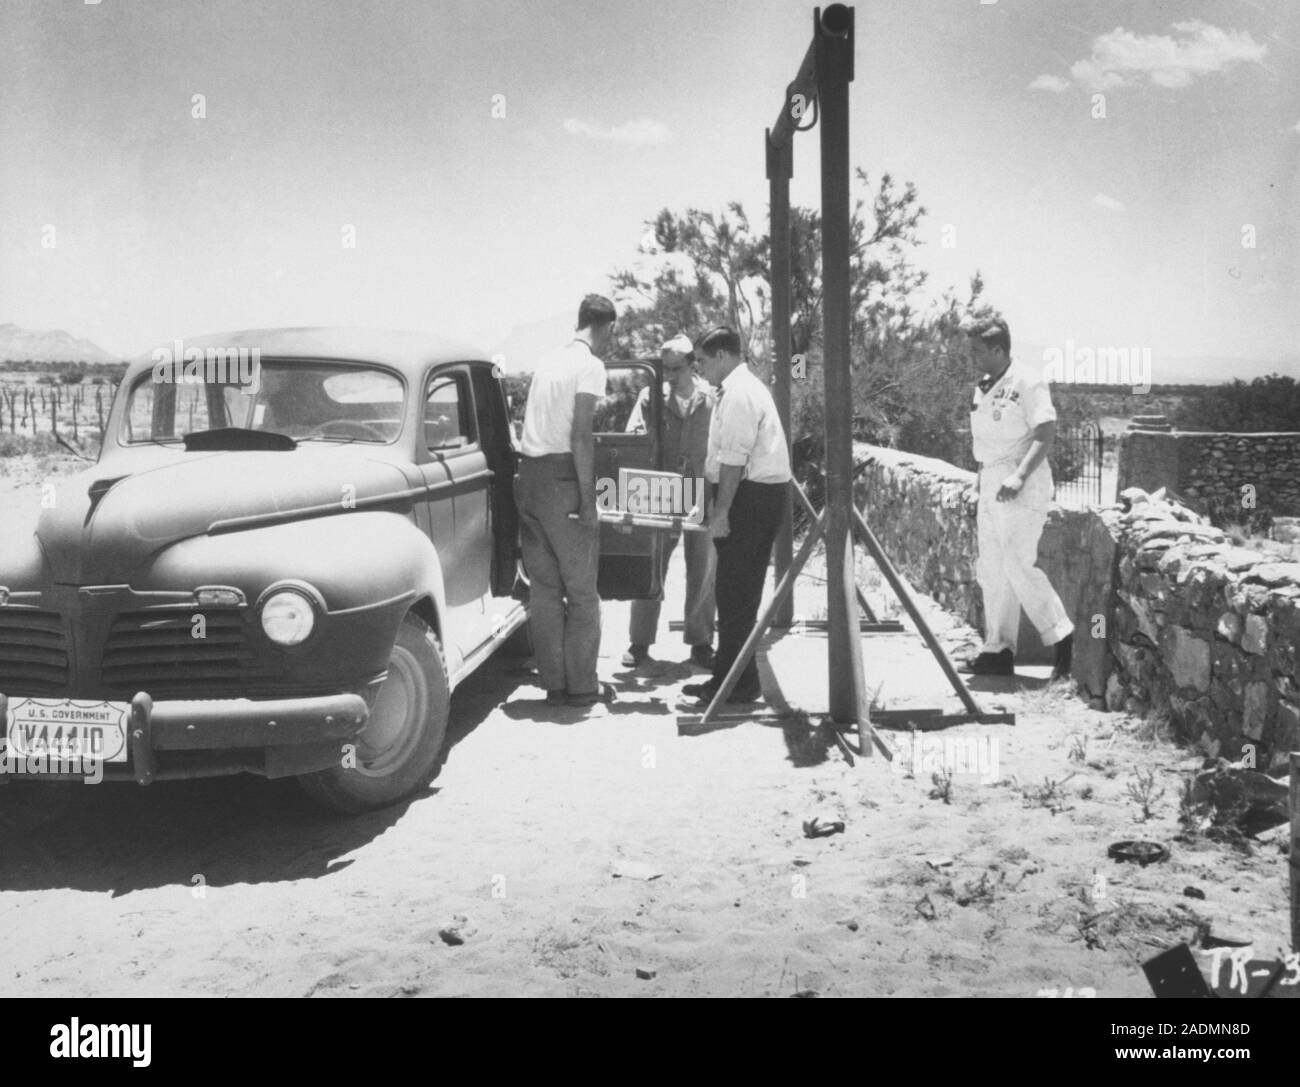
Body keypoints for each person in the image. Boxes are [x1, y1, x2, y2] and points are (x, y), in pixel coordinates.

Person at [682, 326, 791, 707]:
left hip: (751, 499)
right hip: (750, 496)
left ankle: (735, 685)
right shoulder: (734, 390)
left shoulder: (740, 394)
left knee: (736, 593)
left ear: (723, 356)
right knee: (733, 595)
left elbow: (733, 460)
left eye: (703, 362)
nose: (700, 370)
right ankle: (731, 680)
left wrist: (723, 512)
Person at [517, 295, 618, 707]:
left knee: (543, 589)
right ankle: (582, 687)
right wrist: (590, 499)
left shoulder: (548, 360)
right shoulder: (590, 366)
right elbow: (580, 436)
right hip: (562, 479)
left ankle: (554, 683)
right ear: (607, 326)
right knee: (580, 592)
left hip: (529, 477)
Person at [960, 315, 1074, 681]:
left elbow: (1045, 430)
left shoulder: (1028, 379)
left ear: (998, 349)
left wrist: (1020, 475)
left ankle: (1062, 638)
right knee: (992, 568)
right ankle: (997, 650)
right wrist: (982, 482)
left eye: (978, 350)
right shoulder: (985, 384)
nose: (972, 357)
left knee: (1017, 563)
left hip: (1021, 483)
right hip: (991, 480)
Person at [622, 334, 717, 670]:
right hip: (660, 489)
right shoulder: (651, 396)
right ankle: (639, 642)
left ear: (693, 365)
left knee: (703, 567)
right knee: (652, 564)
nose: (671, 375)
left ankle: (701, 642)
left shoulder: (712, 398)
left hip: (701, 487)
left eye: (677, 368)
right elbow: (634, 436)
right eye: (666, 369)